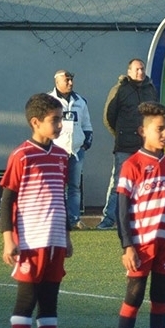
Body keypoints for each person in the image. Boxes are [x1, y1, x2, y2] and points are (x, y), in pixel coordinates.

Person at [101, 102, 165, 328]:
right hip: (142, 244)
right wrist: (127, 245)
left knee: (160, 297)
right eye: (159, 129)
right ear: (142, 131)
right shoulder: (132, 164)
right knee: (134, 296)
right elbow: (122, 209)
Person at [1, 93, 79, 328]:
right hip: (30, 241)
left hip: (55, 239)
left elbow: (60, 196)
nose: (59, 125)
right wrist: (8, 239)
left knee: (50, 300)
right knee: (26, 299)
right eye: (54, 120)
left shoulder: (62, 156)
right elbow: (7, 200)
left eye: (61, 119)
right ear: (36, 122)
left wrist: (67, 236)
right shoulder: (21, 155)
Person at [97, 58, 158, 230]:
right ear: (129, 71)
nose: (140, 72)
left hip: (146, 147)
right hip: (125, 145)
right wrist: (121, 134)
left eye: (142, 69)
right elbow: (109, 117)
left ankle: (144, 218)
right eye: (137, 69)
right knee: (119, 182)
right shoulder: (120, 90)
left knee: (147, 182)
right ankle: (109, 218)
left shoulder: (150, 89)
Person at [48, 69, 93, 230]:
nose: (70, 83)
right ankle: (57, 220)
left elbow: (86, 124)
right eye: (66, 80)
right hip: (56, 151)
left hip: (76, 151)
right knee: (57, 186)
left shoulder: (80, 101)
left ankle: (74, 219)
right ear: (57, 82)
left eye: (71, 80)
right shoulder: (49, 100)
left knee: (74, 186)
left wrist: (86, 143)